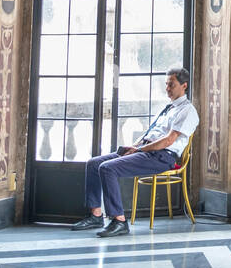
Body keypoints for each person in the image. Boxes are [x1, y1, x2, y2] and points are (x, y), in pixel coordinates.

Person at [72, 68, 199, 237]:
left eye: (171, 85)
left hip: (161, 156)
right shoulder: (167, 108)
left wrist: (139, 150)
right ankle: (96, 215)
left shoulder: (188, 111)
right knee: (94, 163)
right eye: (166, 84)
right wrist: (133, 147)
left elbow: (168, 141)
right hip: (146, 150)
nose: (167, 88)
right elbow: (151, 134)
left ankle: (120, 221)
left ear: (184, 86)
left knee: (107, 168)